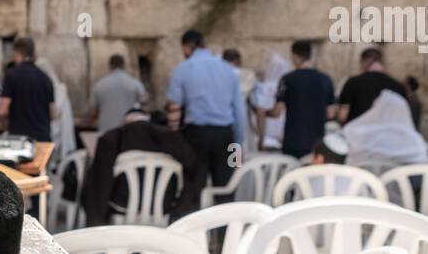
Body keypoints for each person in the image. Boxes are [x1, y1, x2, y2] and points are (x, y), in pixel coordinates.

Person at [166, 29, 248, 189]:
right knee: (227, 188)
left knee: (193, 189)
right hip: (226, 136)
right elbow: (239, 113)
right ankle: (228, 214)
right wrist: (238, 147)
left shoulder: (182, 69)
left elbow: (174, 109)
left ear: (187, 46)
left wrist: (174, 143)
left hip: (196, 137)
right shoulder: (228, 70)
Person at [267, 39, 336, 159]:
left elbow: (277, 112)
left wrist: (263, 112)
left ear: (295, 56)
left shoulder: (287, 79)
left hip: (293, 143)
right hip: (317, 144)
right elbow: (330, 114)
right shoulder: (326, 79)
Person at [0, 36, 55, 143]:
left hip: (19, 140)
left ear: (16, 53)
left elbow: (2, 110)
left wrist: (3, 124)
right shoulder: (45, 78)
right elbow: (52, 113)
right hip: (43, 140)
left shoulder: (11, 75)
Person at [337, 46, 408, 124]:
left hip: (359, 133)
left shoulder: (352, 82)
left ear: (364, 62)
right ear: (382, 62)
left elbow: (343, 115)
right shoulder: (398, 86)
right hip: (388, 134)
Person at [88, 53, 148, 135]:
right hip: (128, 128)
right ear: (124, 65)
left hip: (106, 129)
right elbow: (144, 103)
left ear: (110, 66)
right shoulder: (135, 83)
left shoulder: (99, 85)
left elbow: (93, 112)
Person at [250, 52, 290, 151]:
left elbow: (260, 112)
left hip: (263, 135)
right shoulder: (286, 86)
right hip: (283, 136)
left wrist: (261, 139)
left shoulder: (261, 87)